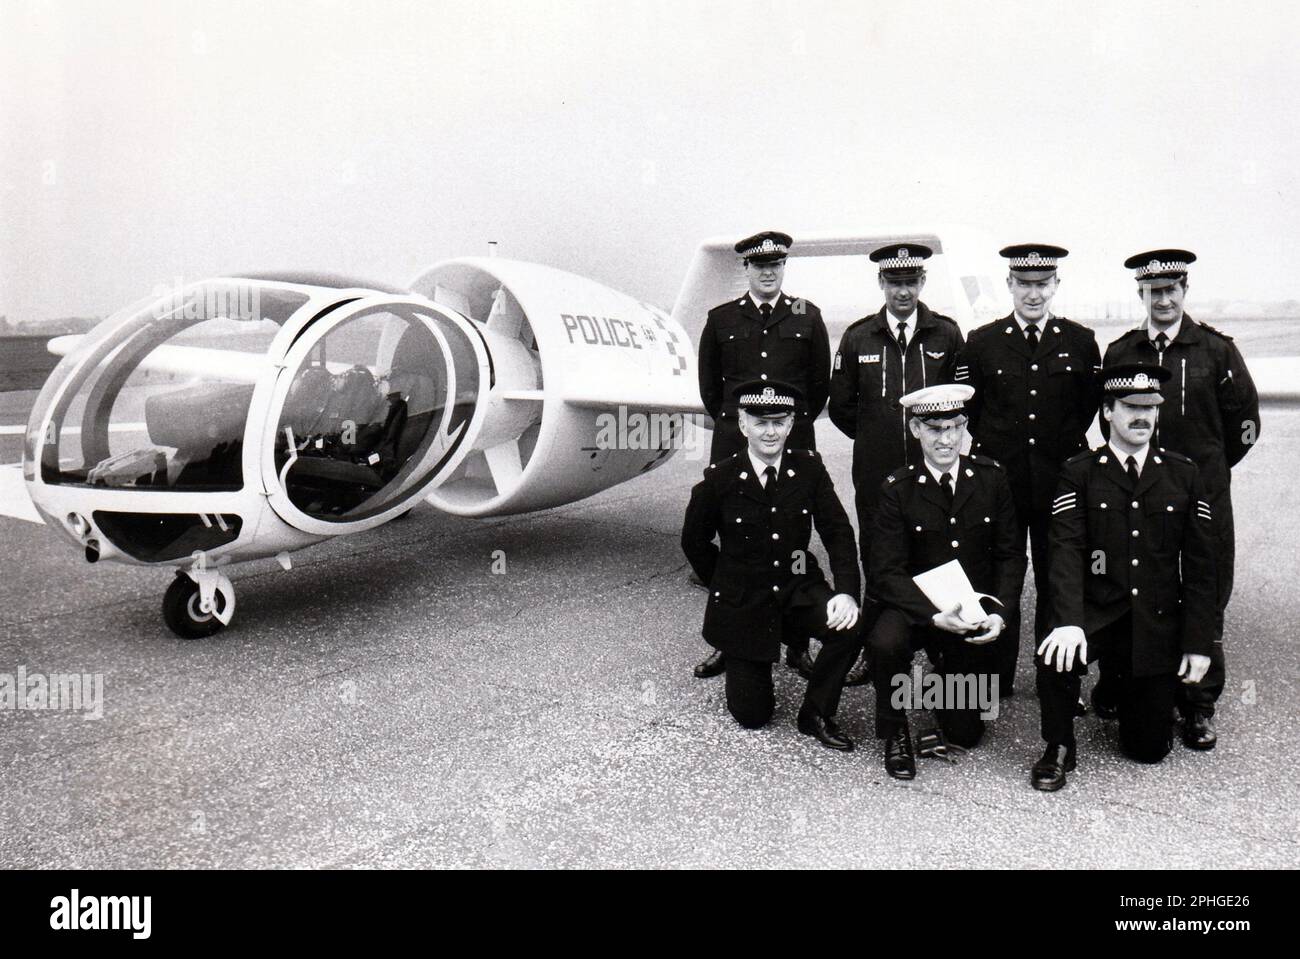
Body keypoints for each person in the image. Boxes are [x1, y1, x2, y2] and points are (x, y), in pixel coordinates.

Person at [801, 385, 1023, 778]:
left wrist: (1000, 613)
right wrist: (934, 615)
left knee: (966, 733)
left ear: (964, 426)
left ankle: (938, 688)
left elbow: (1010, 556)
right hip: (915, 606)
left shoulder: (991, 479)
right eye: (935, 428)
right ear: (916, 429)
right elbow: (885, 571)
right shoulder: (896, 488)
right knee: (886, 641)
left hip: (969, 609)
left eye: (955, 426)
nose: (947, 438)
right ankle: (895, 729)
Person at [1097, 250, 1259, 750]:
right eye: (1153, 291)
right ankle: (1124, 682)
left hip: (1202, 497)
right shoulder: (1122, 351)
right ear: (1140, 295)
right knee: (1130, 585)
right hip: (1136, 496)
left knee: (1204, 592)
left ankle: (1198, 704)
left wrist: (1204, 474)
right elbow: (1109, 418)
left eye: (1171, 290)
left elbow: (1246, 425)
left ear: (1184, 291)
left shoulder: (1215, 350)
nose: (1163, 299)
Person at [1033, 364, 1216, 791]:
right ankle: (1058, 746)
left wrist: (1197, 642)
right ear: (1108, 412)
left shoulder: (1183, 474)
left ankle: (1118, 687)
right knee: (1054, 653)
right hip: (1099, 611)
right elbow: (1065, 552)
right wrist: (1068, 622)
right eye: (1131, 407)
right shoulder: (1079, 472)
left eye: (1150, 408)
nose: (1142, 417)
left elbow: (1202, 567)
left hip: (1154, 617)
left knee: (1148, 750)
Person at [956, 245, 1101, 694]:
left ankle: (1054, 675)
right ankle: (995, 673)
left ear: (1055, 286)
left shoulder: (1079, 340)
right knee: (1000, 570)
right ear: (1010, 286)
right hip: (1001, 481)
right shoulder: (982, 341)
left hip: (1060, 480)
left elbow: (1086, 408)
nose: (1033, 294)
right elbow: (973, 411)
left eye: (1042, 284)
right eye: (1024, 284)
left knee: (1060, 572)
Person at [681, 380, 860, 730]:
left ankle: (816, 713)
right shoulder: (720, 478)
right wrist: (725, 584)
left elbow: (838, 531)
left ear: (791, 424)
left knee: (850, 628)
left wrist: (847, 592)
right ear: (743, 424)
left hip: (796, 585)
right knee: (753, 715)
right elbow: (694, 542)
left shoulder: (809, 468)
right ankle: (741, 655)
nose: (770, 431)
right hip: (745, 598)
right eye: (760, 422)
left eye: (779, 421)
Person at [693, 231, 832, 680]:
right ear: (746, 270)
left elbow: (817, 386)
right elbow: (711, 391)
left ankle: (795, 643)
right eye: (759, 265)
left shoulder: (807, 316)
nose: (768, 272)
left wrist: (783, 428)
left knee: (793, 543)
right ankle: (728, 640)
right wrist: (740, 428)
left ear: (783, 268)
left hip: (790, 440)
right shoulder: (720, 319)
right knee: (735, 544)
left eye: (776, 264)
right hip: (738, 441)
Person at [828, 242, 965, 687]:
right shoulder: (857, 337)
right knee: (880, 561)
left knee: (936, 555)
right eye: (894, 282)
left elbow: (963, 403)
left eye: (911, 281)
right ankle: (877, 650)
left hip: (933, 473)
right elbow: (842, 407)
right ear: (881, 283)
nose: (903, 291)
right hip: (877, 475)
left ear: (922, 282)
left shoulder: (945, 334)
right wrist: (878, 440)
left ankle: (939, 651)